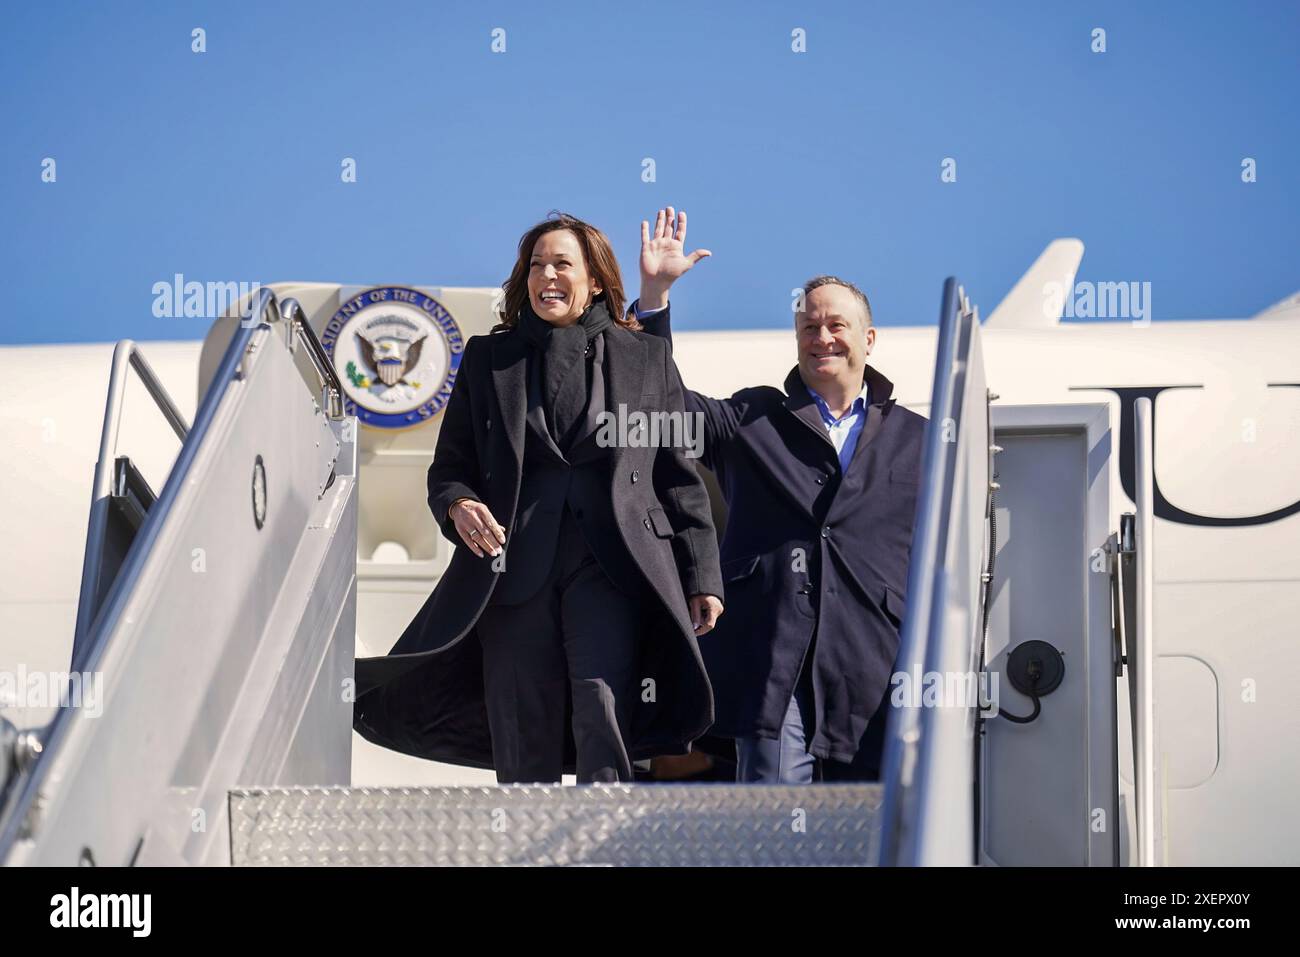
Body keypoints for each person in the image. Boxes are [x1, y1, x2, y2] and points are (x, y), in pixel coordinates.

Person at [353, 212, 724, 784]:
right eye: (536, 265)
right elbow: (450, 470)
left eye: (561, 264)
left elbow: (677, 475)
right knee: (523, 726)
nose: (546, 275)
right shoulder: (487, 358)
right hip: (511, 572)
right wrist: (458, 506)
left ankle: (602, 851)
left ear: (595, 280)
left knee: (603, 711)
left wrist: (702, 575)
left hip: (614, 570)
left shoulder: (645, 357)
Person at [632, 207, 925, 783]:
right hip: (772, 661)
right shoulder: (754, 417)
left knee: (867, 837)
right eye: (809, 327)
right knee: (770, 820)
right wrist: (655, 298)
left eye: (836, 325)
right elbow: (662, 411)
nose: (822, 338)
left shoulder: (919, 438)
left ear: (868, 338)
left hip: (877, 668)